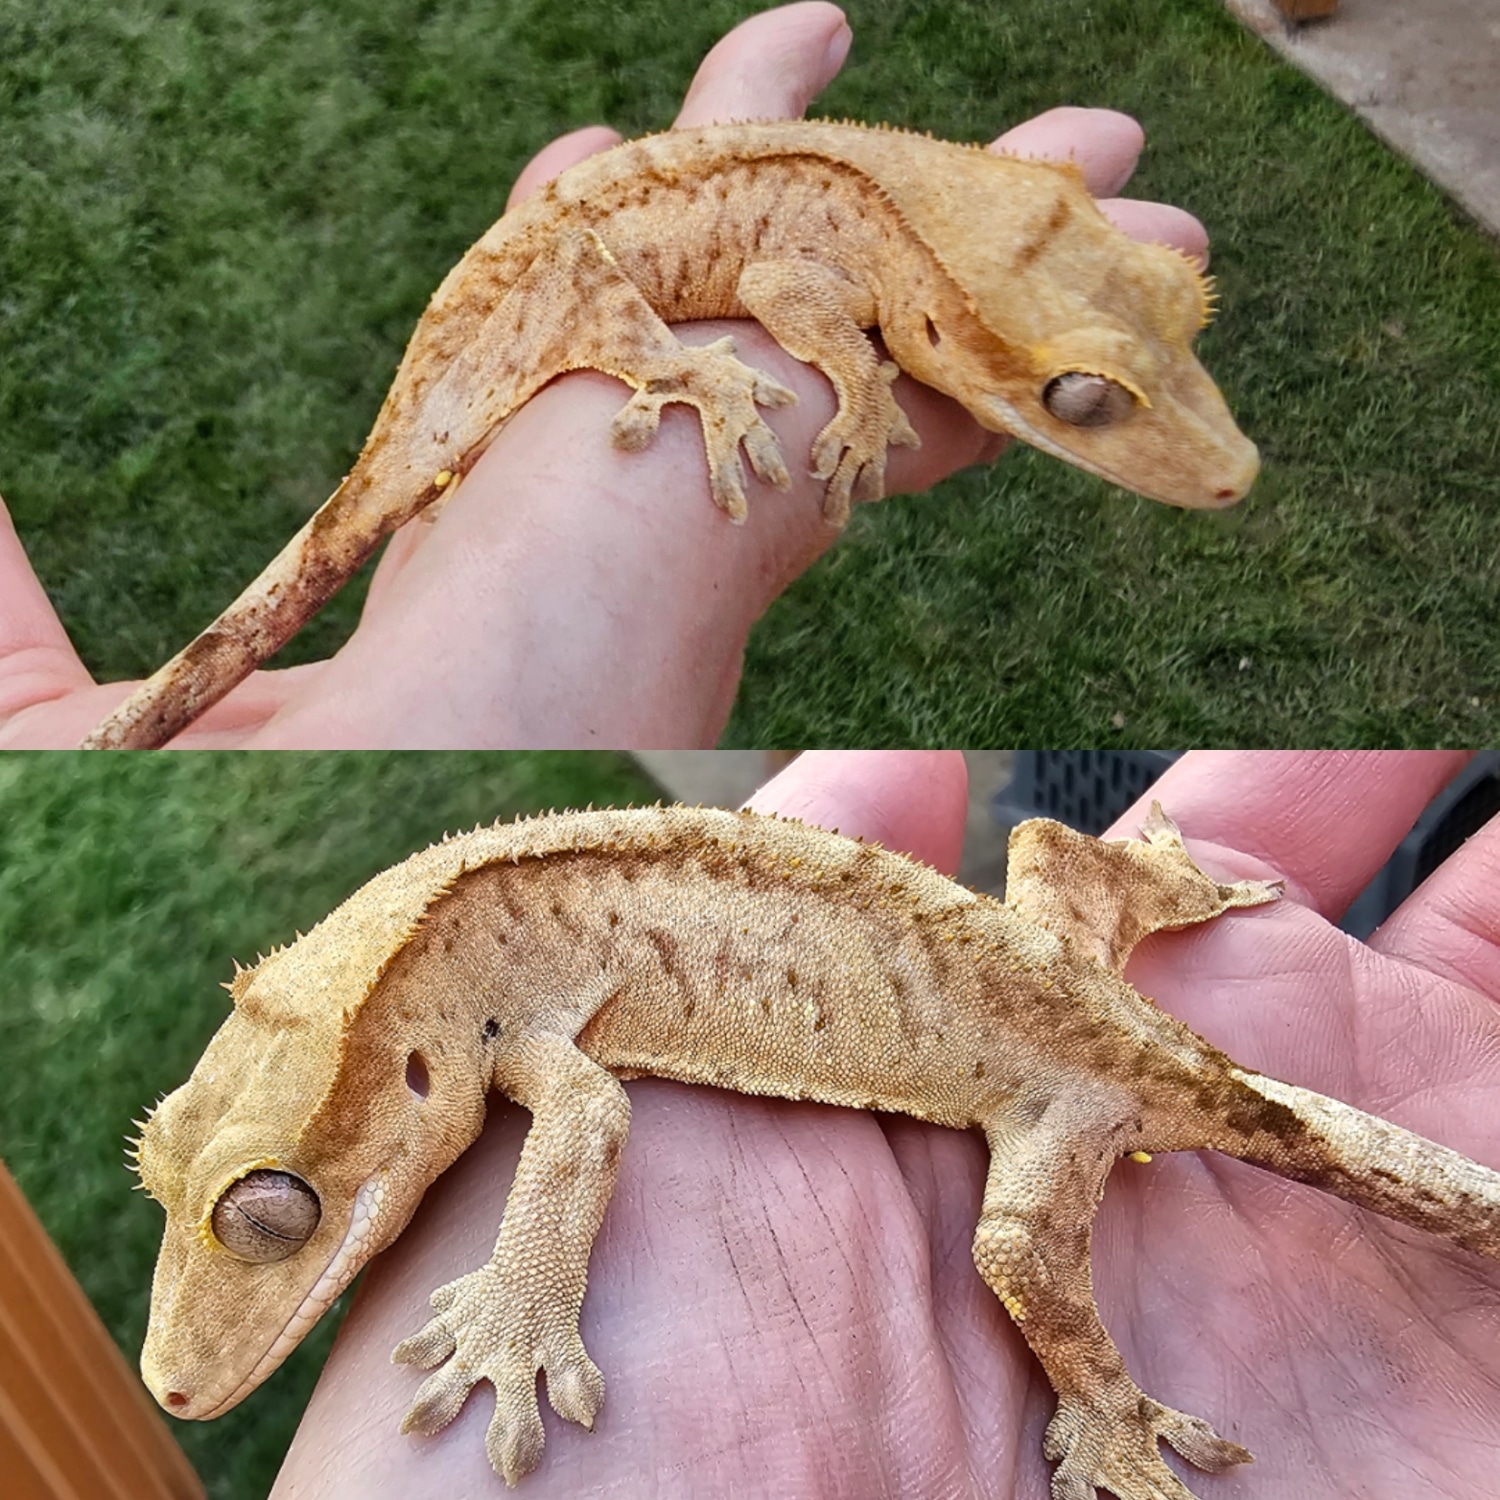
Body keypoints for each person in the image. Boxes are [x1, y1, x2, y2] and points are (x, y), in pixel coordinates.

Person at [266, 748, 1500, 1497]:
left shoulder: (509, 1022)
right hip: (1047, 971)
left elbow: (585, 1117)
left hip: (1068, 1081)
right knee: (1049, 853)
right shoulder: (481, 981)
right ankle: (1148, 888)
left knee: (1016, 1249)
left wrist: (525, 1300)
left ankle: (1107, 1408)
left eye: (270, 1214)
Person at [0, 4, 1212, 748]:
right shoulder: (887, 277)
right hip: (556, 282)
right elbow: (791, 294)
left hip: (583, 262)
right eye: (1085, 399)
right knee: (336, 541)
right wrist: (826, 374)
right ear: (953, 328)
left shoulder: (922, 252)